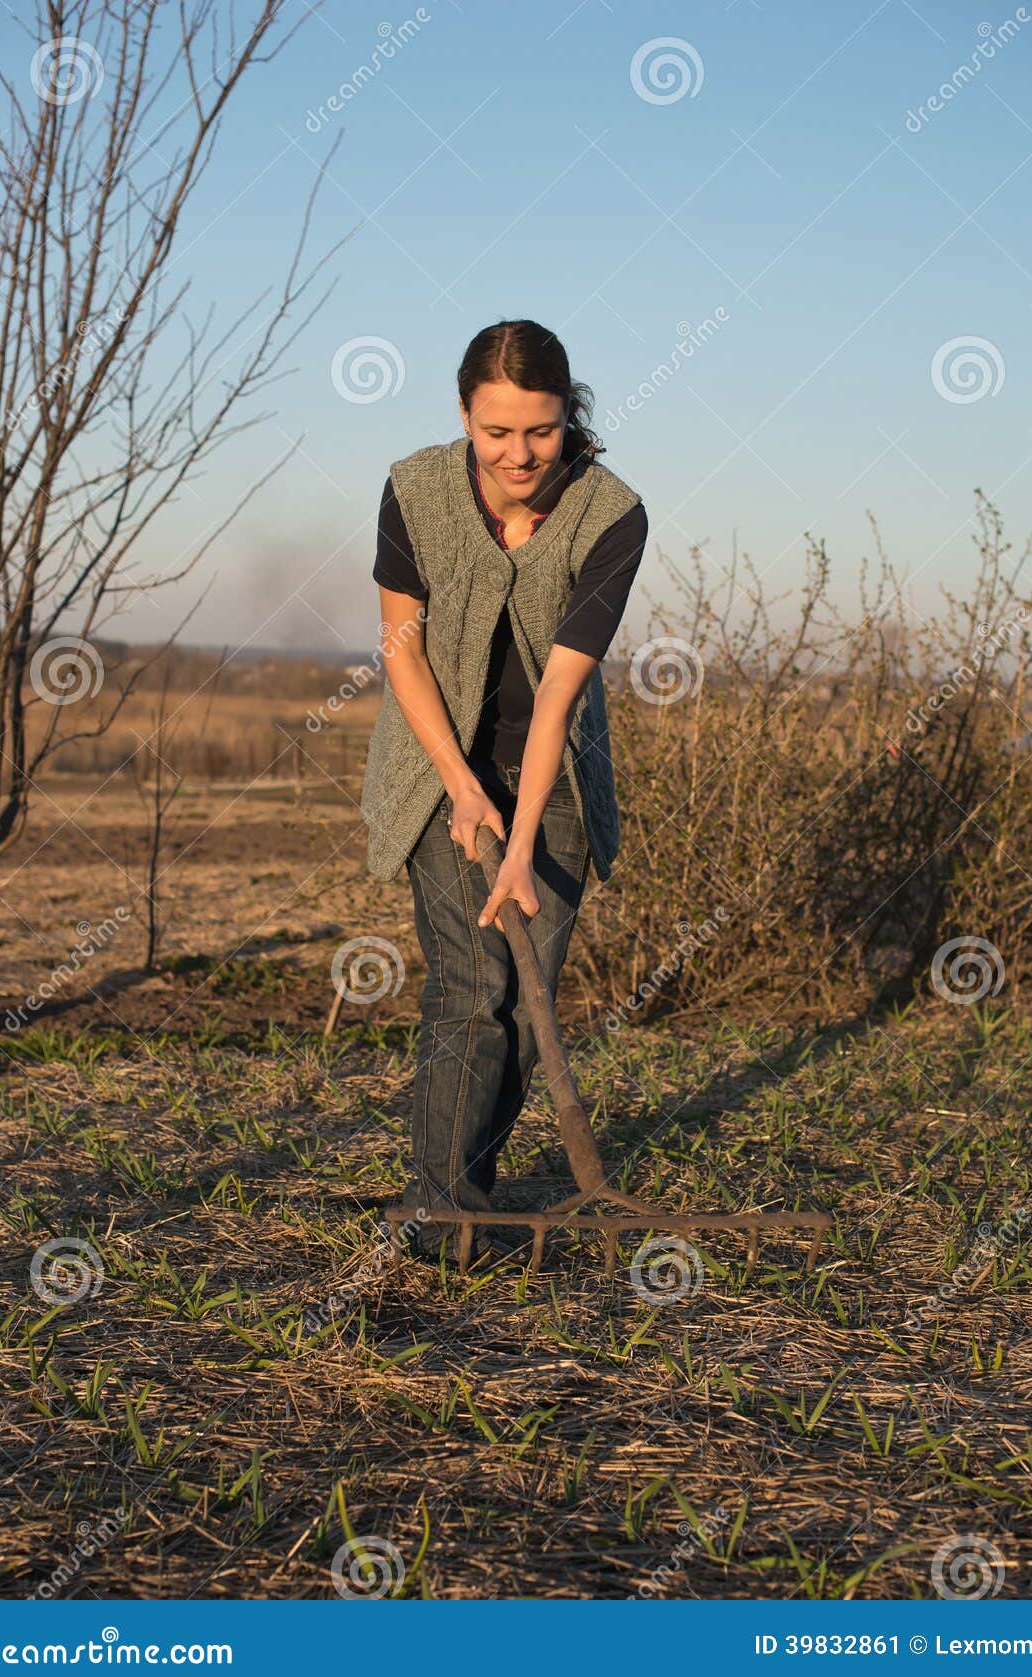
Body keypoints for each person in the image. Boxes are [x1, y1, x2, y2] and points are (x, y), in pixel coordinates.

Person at [360, 318, 648, 1261]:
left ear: (568, 415)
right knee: (470, 982)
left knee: (527, 1006)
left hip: (551, 779)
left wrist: (519, 841)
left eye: (540, 429)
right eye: (496, 432)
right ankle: (439, 1215)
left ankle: (465, 1189)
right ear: (464, 417)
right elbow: (401, 649)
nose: (518, 453)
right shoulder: (415, 490)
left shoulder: (611, 514)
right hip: (435, 763)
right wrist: (459, 786)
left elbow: (561, 688)